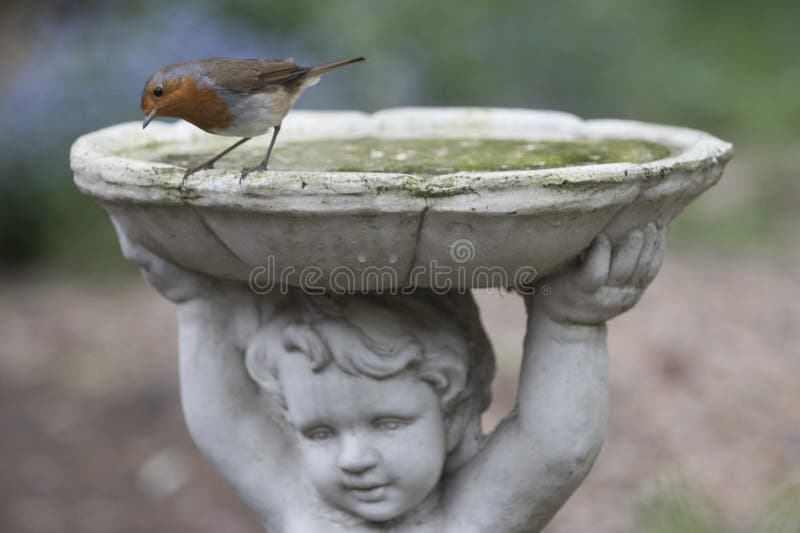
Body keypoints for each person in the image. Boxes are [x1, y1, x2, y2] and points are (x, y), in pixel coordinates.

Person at [118, 222, 666, 532]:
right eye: (320, 432)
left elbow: (554, 447)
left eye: (387, 423)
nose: (353, 459)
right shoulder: (307, 513)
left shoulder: (468, 520)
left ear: (452, 415)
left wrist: (570, 324)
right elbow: (229, 422)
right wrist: (195, 304)